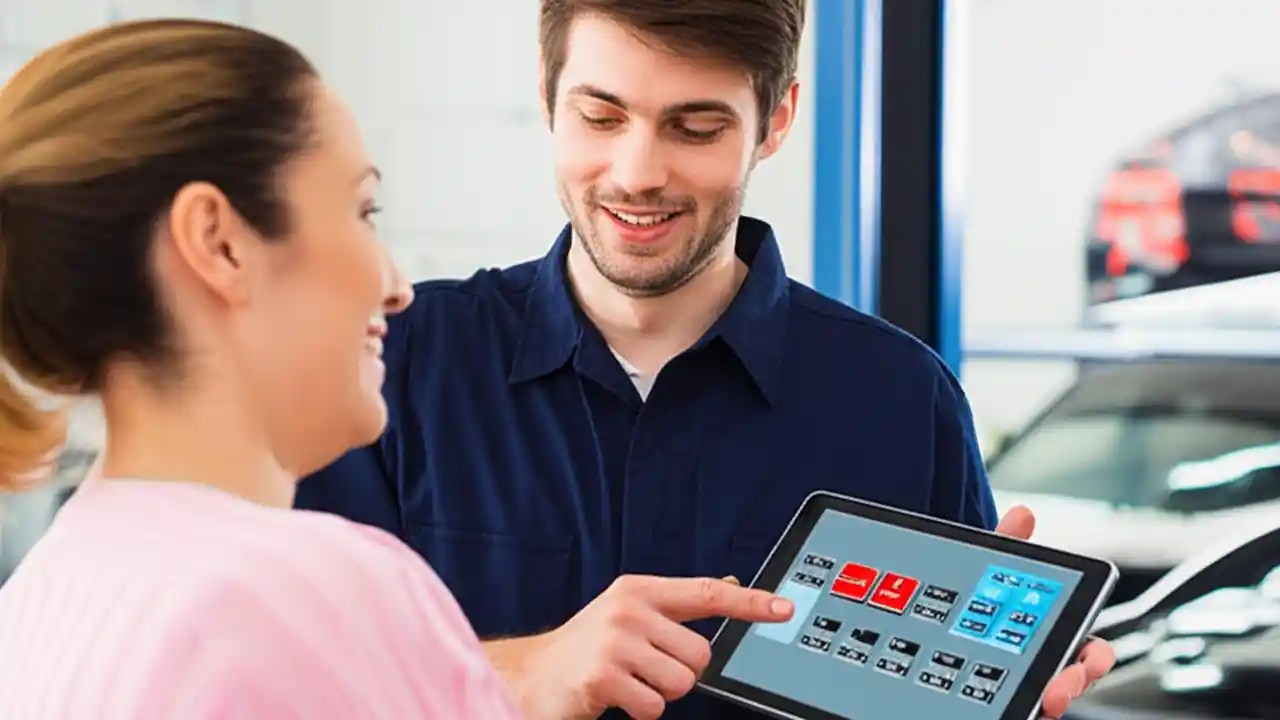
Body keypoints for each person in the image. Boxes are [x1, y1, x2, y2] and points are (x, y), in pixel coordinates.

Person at [297, 2, 1116, 719]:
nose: (638, 173)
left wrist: (989, 700)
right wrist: (515, 675)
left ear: (777, 120)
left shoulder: (900, 399)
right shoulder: (392, 362)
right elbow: (279, 681)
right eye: (602, 117)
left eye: (696, 128)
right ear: (548, 101)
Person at [0, 18, 556, 718]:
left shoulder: (39, 597)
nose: (397, 286)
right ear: (219, 242)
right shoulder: (321, 593)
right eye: (363, 210)